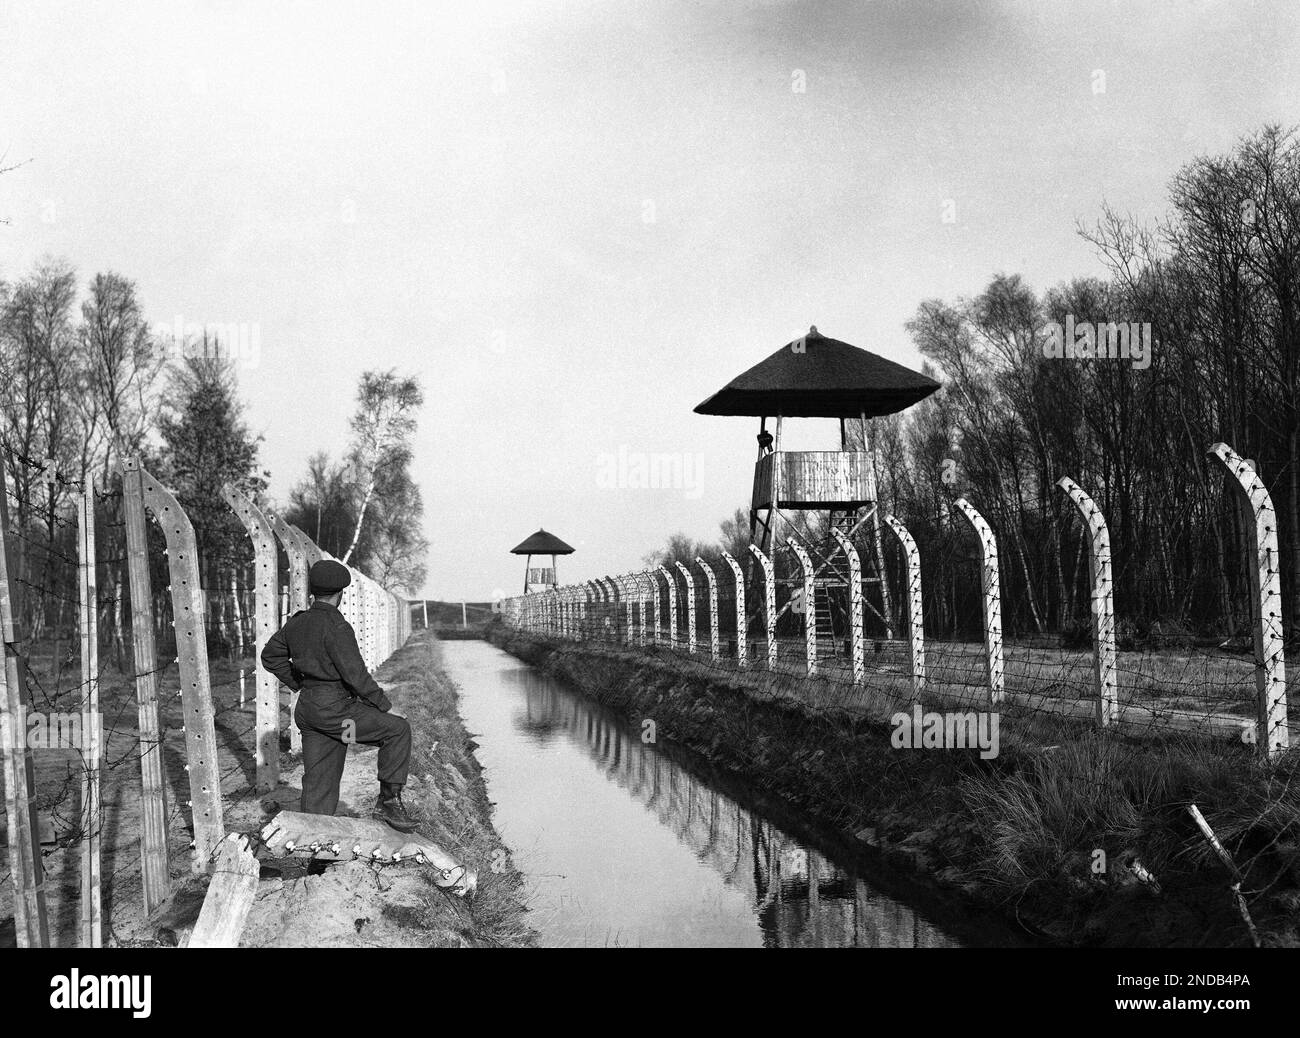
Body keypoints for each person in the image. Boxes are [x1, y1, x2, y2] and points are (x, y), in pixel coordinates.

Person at [260, 559, 417, 833]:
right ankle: (388, 802)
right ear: (340, 594)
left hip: (310, 712)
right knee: (397, 731)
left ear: (314, 591)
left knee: (320, 780)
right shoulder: (337, 627)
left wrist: (298, 682)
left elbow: (270, 656)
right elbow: (355, 675)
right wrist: (385, 706)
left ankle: (313, 850)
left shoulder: (298, 623)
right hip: (338, 714)